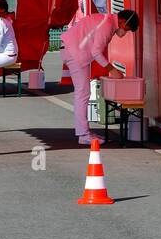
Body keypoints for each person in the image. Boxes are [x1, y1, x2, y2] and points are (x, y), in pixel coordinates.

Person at [60, 9, 140, 144]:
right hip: (74, 51)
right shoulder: (108, 25)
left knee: (83, 93)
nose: (125, 32)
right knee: (83, 94)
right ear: (122, 21)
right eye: (127, 28)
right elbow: (96, 52)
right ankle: (83, 135)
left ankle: (85, 132)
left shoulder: (107, 20)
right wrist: (112, 70)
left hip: (74, 49)